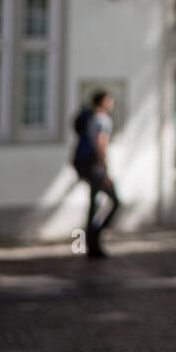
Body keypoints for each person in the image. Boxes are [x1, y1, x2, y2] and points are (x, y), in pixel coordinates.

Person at [72, 89, 120, 258]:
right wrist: (105, 171)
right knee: (115, 201)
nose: (112, 102)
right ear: (104, 101)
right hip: (96, 167)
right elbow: (101, 146)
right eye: (110, 99)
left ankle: (89, 241)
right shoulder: (103, 120)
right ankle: (93, 236)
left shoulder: (91, 118)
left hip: (85, 165)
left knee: (94, 202)